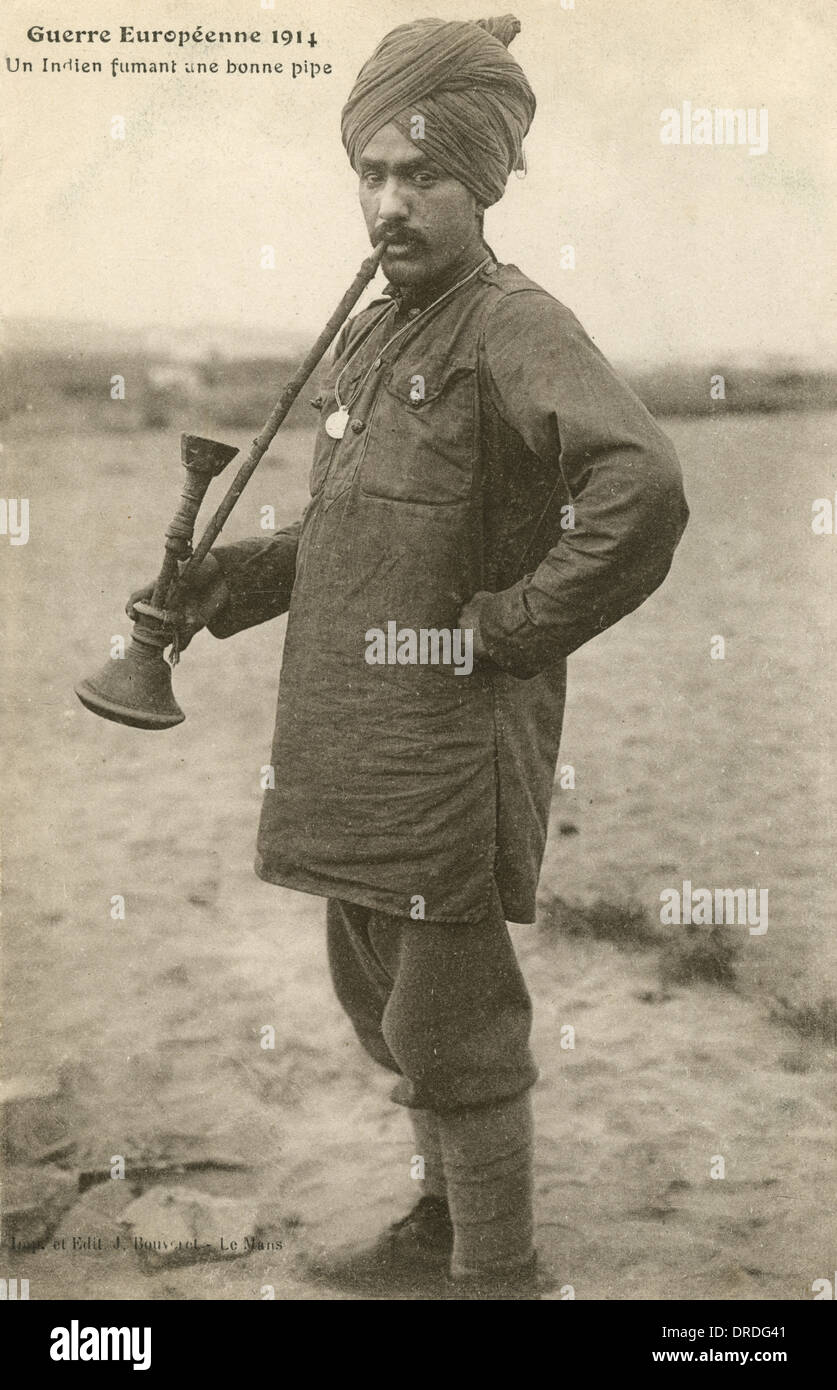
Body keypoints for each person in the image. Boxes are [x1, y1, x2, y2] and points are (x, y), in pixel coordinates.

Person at [129, 14, 688, 1300]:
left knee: (452, 1022)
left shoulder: (513, 326)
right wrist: (227, 582)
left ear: (480, 184)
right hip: (349, 737)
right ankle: (440, 1228)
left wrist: (509, 624)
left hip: (444, 743)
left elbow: (641, 487)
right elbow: (352, 527)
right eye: (371, 174)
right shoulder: (379, 330)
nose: (390, 201)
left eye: (420, 175)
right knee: (374, 994)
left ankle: (499, 1274)